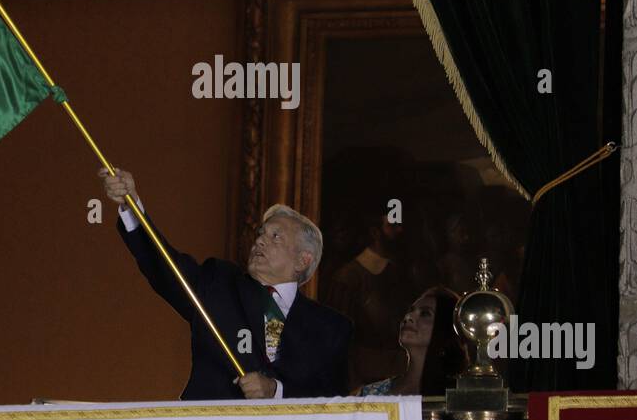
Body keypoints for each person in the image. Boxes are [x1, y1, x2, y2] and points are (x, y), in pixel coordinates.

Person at [100, 167, 350, 400]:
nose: (260, 241)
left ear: (302, 260)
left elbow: (334, 402)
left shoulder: (330, 327)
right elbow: (165, 268)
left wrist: (275, 390)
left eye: (275, 236)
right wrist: (132, 207)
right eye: (261, 233)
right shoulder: (217, 283)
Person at [320, 206, 417, 389]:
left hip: (400, 371)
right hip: (365, 377)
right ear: (375, 232)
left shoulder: (398, 273)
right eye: (393, 226)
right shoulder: (348, 278)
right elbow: (339, 340)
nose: (400, 231)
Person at [354, 287, 463, 396]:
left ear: (445, 328)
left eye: (425, 313)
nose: (408, 317)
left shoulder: (459, 395)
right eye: (410, 311)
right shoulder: (372, 394)